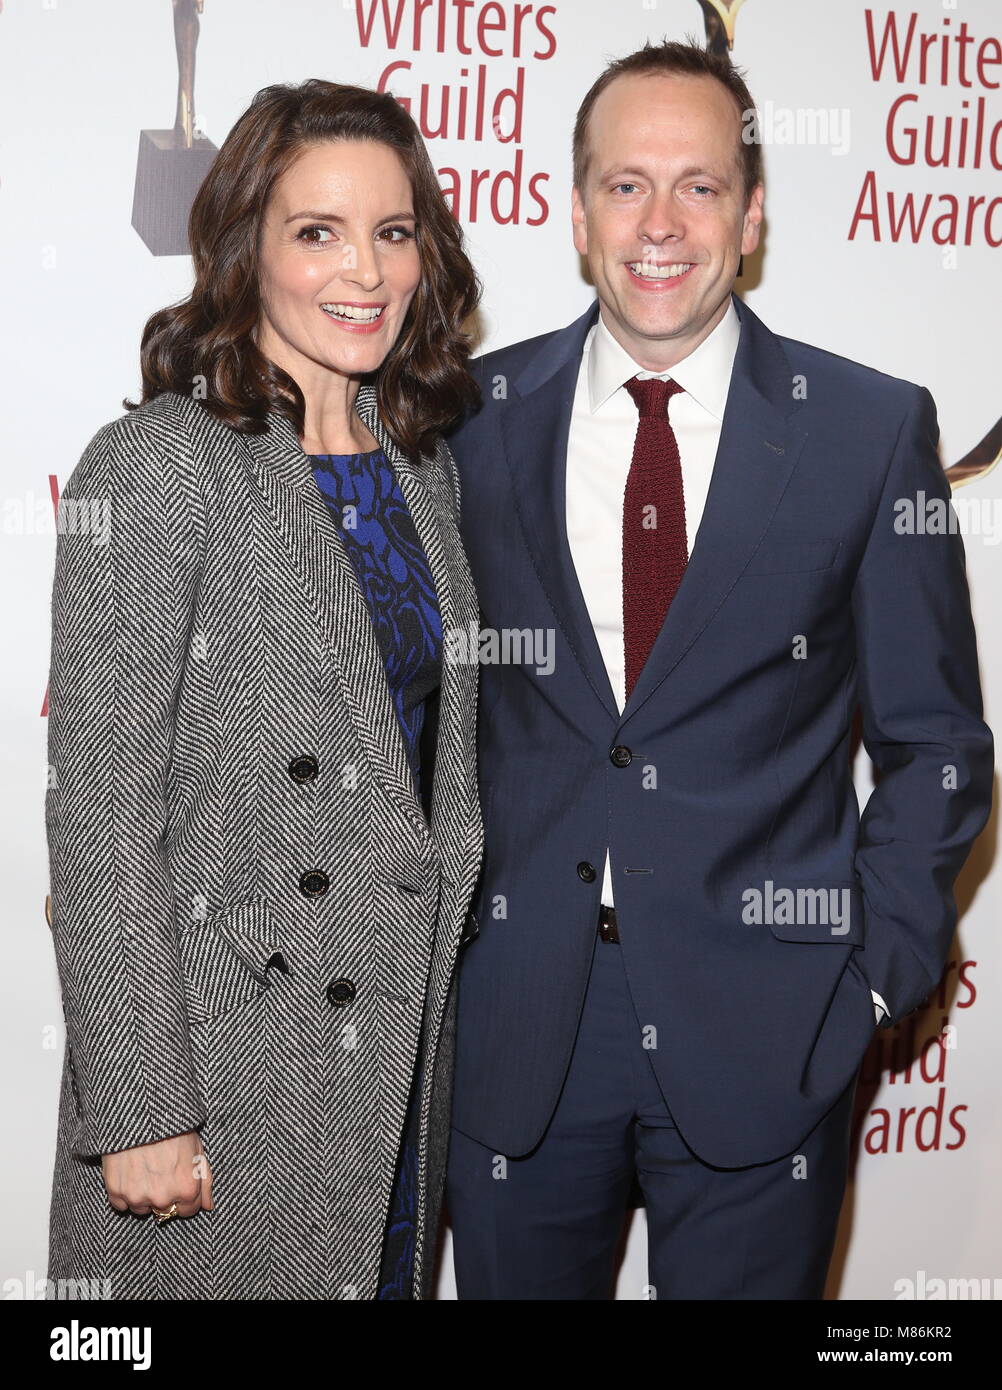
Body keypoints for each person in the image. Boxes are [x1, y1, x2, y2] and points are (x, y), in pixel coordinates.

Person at [444, 40, 994, 1299]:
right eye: (626, 185)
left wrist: (870, 981)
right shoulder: (467, 419)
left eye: (699, 186)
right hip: (521, 1021)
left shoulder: (866, 429)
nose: (660, 223)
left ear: (751, 219)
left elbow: (938, 744)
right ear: (575, 215)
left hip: (773, 1024)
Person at [44, 78, 483, 1301]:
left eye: (394, 232)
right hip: (228, 1067)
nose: (366, 270)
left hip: (392, 1061)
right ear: (248, 247)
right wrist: (139, 1100)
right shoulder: (161, 462)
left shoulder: (422, 474)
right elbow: (100, 804)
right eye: (318, 231)